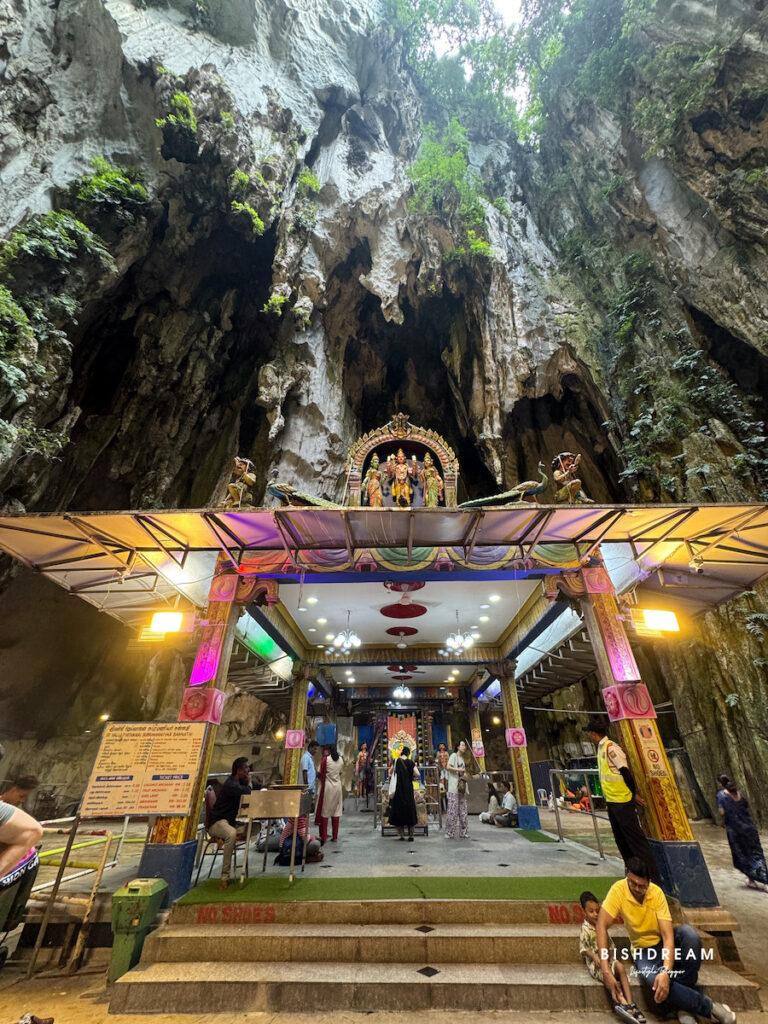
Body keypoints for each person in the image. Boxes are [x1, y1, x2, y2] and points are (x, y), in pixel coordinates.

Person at [597, 857, 737, 1024]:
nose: (636, 888)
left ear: (649, 883)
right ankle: (710, 1007)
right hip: (642, 950)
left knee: (689, 935)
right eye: (632, 883)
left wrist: (665, 971)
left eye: (642, 886)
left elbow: (668, 936)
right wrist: (605, 970)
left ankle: (683, 1006)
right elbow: (601, 925)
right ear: (627, 876)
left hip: (663, 944)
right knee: (653, 980)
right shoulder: (618, 890)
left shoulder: (656, 893)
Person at [586, 720, 655, 877]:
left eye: (589, 733)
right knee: (621, 839)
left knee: (635, 839)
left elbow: (625, 772)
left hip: (623, 801)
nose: (589, 736)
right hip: (612, 801)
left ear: (593, 734)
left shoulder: (611, 748)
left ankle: (649, 876)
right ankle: (631, 871)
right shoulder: (601, 748)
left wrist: (633, 793)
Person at [579, 889, 645, 1024]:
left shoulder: (601, 926)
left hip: (608, 959)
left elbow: (610, 945)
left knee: (620, 967)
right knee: (608, 978)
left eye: (597, 910)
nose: (595, 914)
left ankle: (631, 1003)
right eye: (591, 911)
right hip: (596, 964)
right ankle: (622, 1002)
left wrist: (611, 957)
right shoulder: (585, 929)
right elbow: (584, 948)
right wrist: (595, 957)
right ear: (584, 912)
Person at [717, 774, 768, 891]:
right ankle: (757, 880)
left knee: (742, 855)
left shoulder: (721, 795)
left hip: (735, 831)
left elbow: (721, 812)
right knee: (756, 853)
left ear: (720, 784)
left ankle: (758, 879)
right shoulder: (740, 793)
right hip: (749, 828)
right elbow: (746, 807)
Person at [208, 756, 252, 888]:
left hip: (228, 822)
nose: (248, 771)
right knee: (231, 834)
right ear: (238, 770)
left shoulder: (237, 783)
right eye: (246, 768)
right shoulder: (231, 785)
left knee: (253, 827)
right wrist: (249, 783)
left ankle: (242, 871)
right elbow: (247, 792)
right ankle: (224, 876)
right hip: (217, 823)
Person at [315, 744, 343, 844]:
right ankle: (335, 836)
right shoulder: (341, 759)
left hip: (327, 787)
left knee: (325, 812)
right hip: (338, 787)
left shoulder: (325, 760)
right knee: (336, 812)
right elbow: (340, 772)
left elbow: (319, 774)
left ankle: (323, 836)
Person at [388, 746, 418, 841]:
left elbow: (390, 772)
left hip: (398, 789)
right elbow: (418, 774)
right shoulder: (410, 762)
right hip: (408, 789)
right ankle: (411, 835)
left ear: (401, 753)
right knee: (410, 810)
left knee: (399, 810)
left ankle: (401, 835)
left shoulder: (396, 761)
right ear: (408, 753)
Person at [446, 741, 469, 840]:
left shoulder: (462, 759)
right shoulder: (453, 756)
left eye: (464, 745)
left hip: (462, 787)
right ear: (458, 747)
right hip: (453, 788)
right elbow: (448, 767)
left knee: (463, 811)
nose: (464, 747)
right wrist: (460, 770)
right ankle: (450, 832)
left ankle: (463, 832)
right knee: (452, 811)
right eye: (462, 745)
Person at [436, 743, 449, 812]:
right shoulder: (438, 753)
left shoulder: (446, 753)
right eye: (440, 745)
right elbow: (437, 761)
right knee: (442, 784)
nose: (441, 746)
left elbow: (449, 761)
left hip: (446, 769)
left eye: (443, 745)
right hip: (441, 770)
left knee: (447, 783)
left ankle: (447, 804)